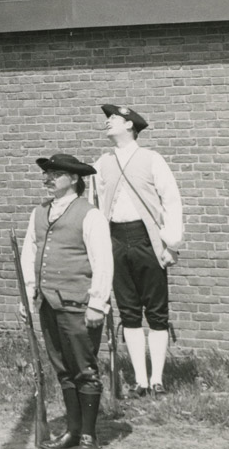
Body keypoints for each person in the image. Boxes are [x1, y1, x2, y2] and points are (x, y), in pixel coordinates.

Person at [20, 153, 113, 449]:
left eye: (55, 174)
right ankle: (73, 432)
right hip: (48, 303)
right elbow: (29, 255)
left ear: (73, 179)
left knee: (84, 370)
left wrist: (98, 303)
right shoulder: (38, 212)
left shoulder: (90, 214)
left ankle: (88, 436)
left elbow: (103, 261)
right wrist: (28, 295)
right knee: (63, 369)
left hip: (79, 307)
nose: (47, 178)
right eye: (46, 174)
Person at [91, 103, 183, 398]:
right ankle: (140, 380)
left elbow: (171, 201)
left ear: (130, 125)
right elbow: (96, 206)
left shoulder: (152, 159)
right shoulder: (101, 163)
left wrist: (170, 243)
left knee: (156, 312)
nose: (108, 123)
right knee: (128, 312)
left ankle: (157, 379)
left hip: (147, 240)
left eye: (114, 119)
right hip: (115, 239)